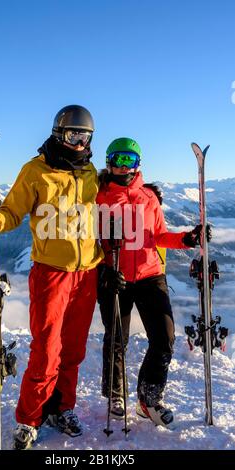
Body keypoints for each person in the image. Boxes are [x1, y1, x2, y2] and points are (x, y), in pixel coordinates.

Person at [0, 105, 104, 449]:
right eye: (73, 135)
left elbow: (117, 199)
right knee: (47, 350)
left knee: (73, 350)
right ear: (59, 134)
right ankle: (30, 417)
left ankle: (62, 407)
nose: (78, 142)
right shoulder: (35, 170)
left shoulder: (90, 173)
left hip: (87, 273)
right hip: (51, 274)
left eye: (85, 136)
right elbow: (12, 213)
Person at [96, 137, 210, 429]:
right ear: (108, 162)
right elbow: (88, 240)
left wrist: (186, 239)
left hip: (150, 275)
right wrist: (104, 267)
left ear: (138, 164)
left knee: (164, 338)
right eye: (118, 160)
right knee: (117, 338)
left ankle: (149, 398)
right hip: (115, 276)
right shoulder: (98, 198)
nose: (124, 167)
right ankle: (115, 396)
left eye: (129, 161)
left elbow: (159, 235)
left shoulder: (149, 197)